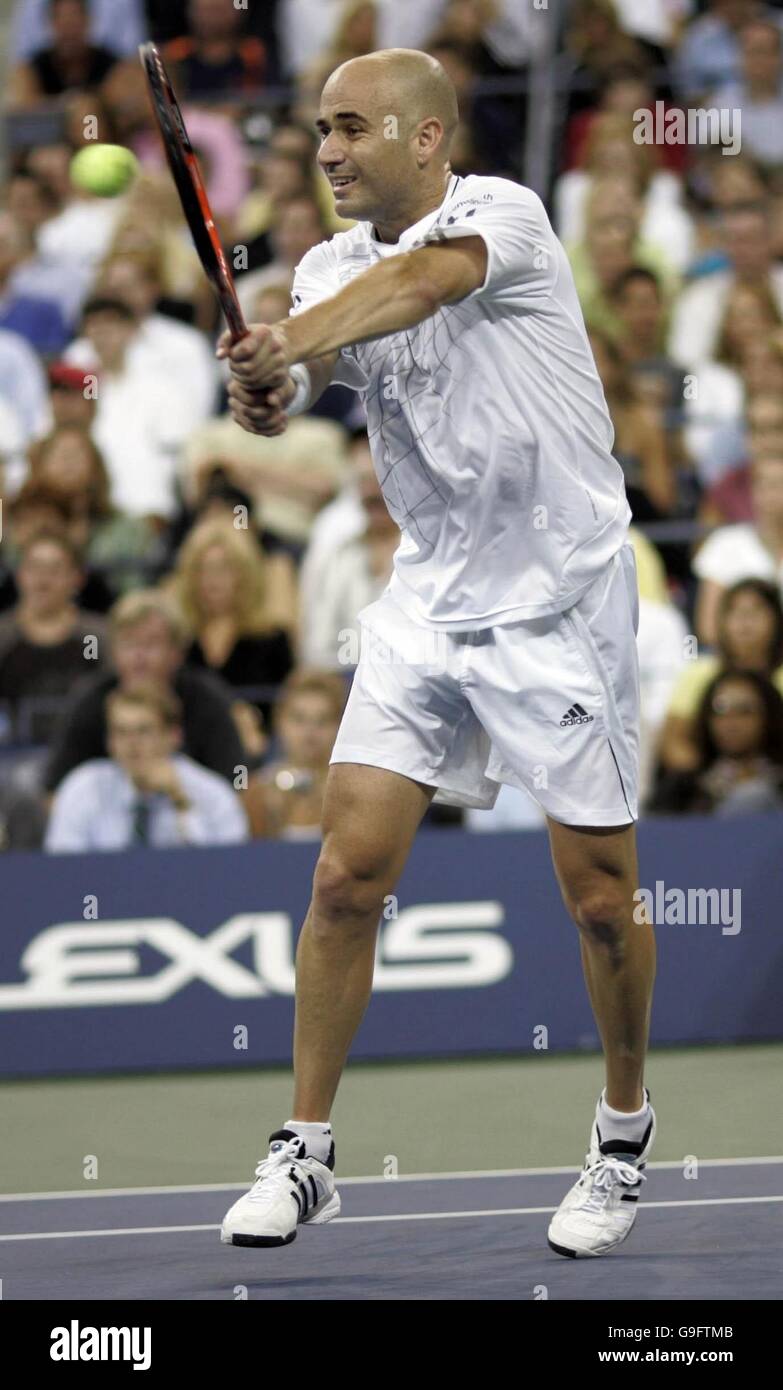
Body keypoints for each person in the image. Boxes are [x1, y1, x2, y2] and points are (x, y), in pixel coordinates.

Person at [216, 47, 656, 1260]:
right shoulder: (323, 266)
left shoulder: (501, 215)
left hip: (560, 598)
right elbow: (314, 372)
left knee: (603, 901)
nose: (327, 150)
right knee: (347, 879)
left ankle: (622, 1131)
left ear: (425, 139)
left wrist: (289, 334)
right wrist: (271, 383)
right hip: (428, 601)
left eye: (351, 128)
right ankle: (306, 1151)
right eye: (317, 130)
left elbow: (416, 291)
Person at [44, 589, 245, 791]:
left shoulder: (208, 700)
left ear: (176, 652)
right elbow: (54, 787)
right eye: (129, 644)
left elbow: (239, 779)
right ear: (113, 652)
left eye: (151, 644)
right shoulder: (90, 700)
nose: (139, 657)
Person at [45, 684, 249, 851]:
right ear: (109, 741)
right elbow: (63, 868)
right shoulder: (83, 787)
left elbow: (225, 871)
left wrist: (180, 802)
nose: (132, 744)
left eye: (144, 731)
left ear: (173, 736)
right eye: (121, 732)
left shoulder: (213, 793)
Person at [660, 578, 783, 772]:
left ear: (777, 619)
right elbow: (673, 743)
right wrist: (711, 781)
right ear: (721, 621)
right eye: (735, 611)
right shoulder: (698, 673)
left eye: (756, 610)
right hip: (709, 784)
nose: (745, 620)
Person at [0, 529, 106, 741]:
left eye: (55, 569)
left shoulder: (91, 637)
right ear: (20, 575)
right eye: (35, 568)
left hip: (81, 744)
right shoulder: (4, 636)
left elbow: (100, 684)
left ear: (77, 578)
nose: (43, 580)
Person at [650, 669, 783, 815]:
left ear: (769, 716)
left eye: (745, 710)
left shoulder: (778, 784)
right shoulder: (682, 790)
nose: (731, 722)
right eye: (720, 710)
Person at [248, 668, 346, 839]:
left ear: (339, 726)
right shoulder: (256, 792)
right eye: (299, 719)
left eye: (322, 720)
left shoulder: (353, 794)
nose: (310, 732)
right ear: (280, 722)